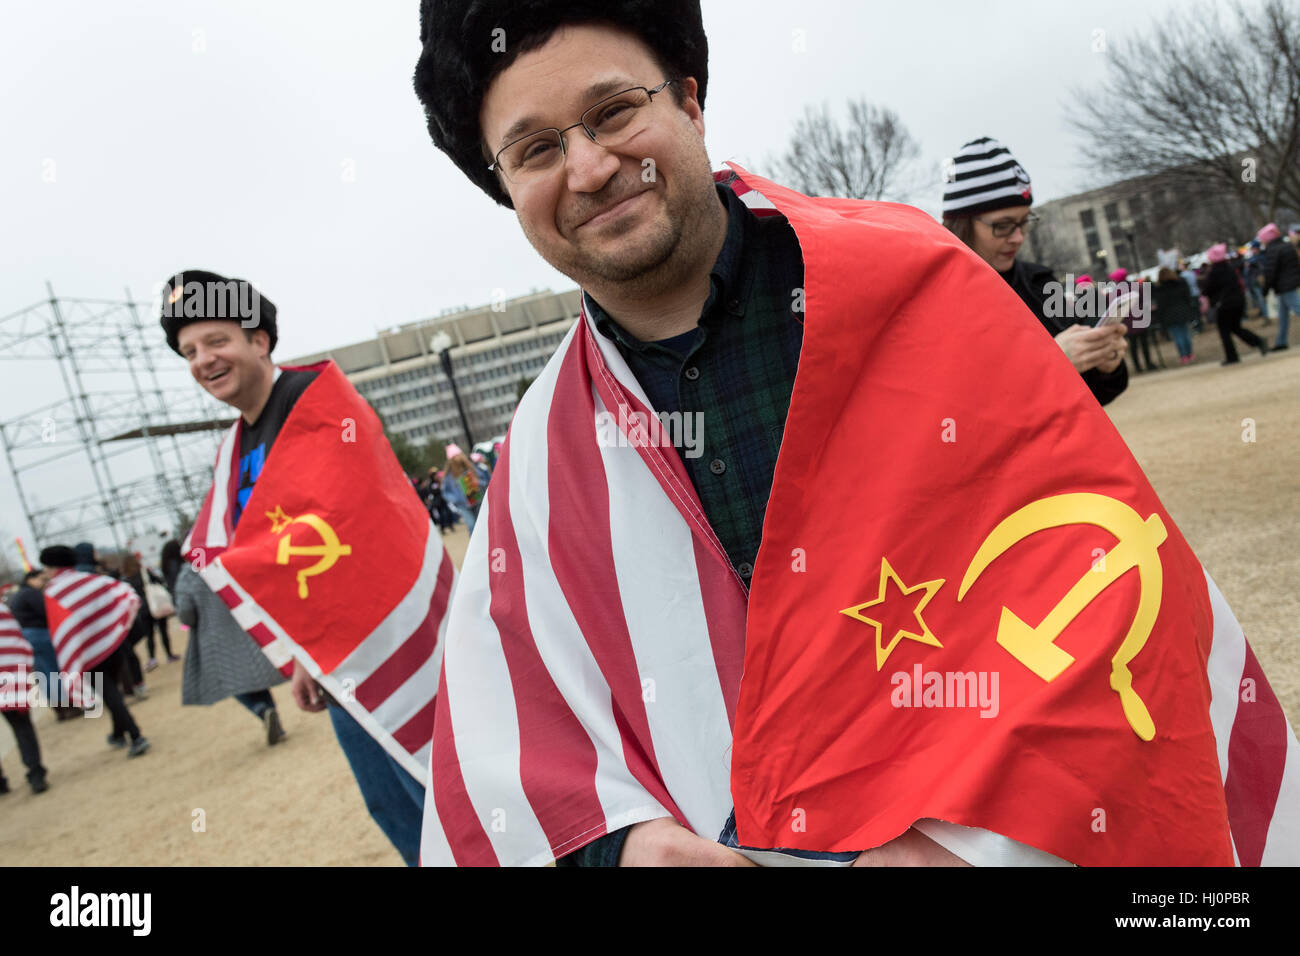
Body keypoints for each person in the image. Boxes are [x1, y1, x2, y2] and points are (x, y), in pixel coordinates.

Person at [160, 269, 427, 866]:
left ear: (259, 340)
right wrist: (298, 652)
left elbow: (365, 533)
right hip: (333, 662)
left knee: (436, 791)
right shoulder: (235, 447)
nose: (204, 360)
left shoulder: (318, 404)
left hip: (393, 644)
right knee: (394, 808)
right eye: (190, 352)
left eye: (216, 340)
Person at [941, 137, 1128, 405]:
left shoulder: (1039, 282)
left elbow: (1089, 400)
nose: (1018, 237)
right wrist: (1050, 363)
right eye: (1003, 225)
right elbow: (952, 411)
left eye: (1024, 222)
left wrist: (1105, 366)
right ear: (962, 224)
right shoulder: (935, 299)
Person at [39, 545, 150, 758]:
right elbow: (125, 595)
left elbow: (61, 628)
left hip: (85, 653)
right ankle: (118, 734)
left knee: (110, 695)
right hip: (110, 645)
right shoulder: (92, 580)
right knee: (113, 693)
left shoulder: (53, 592)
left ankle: (136, 736)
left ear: (52, 567)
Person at [173, 563, 287, 745]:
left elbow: (186, 614)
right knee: (256, 678)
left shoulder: (189, 572)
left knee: (229, 681)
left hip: (214, 638)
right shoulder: (223, 556)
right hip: (244, 625)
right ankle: (274, 720)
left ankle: (260, 710)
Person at [7, 568, 77, 719]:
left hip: (27, 636)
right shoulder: (32, 594)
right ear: (31, 579)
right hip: (39, 634)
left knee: (43, 673)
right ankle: (68, 706)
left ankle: (59, 709)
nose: (44, 583)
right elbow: (46, 612)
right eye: (42, 579)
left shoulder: (19, 595)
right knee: (53, 670)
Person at [0, 603, 49, 794]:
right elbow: (16, 641)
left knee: (21, 725)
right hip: (7, 673)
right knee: (22, 726)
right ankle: (36, 774)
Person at [1200, 242, 1268, 365]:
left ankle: (1232, 356)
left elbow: (1207, 289)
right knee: (1236, 327)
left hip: (1224, 304)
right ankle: (1258, 341)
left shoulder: (1214, 272)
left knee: (1225, 331)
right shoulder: (1230, 268)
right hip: (1238, 301)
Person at [1257, 222, 1300, 350]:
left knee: (1297, 308)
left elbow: (1270, 272)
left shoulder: (1273, 250)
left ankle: (1281, 342)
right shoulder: (1286, 246)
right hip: (1287, 284)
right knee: (1283, 316)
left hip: (1284, 285)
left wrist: (1264, 290)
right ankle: (1281, 341)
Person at [1151, 267, 1197, 364]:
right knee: (1185, 334)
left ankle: (1183, 356)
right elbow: (1187, 297)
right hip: (1182, 311)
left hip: (1169, 315)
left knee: (1177, 336)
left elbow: (1161, 304)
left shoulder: (1160, 289)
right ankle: (1190, 354)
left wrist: (1160, 316)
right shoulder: (1180, 283)